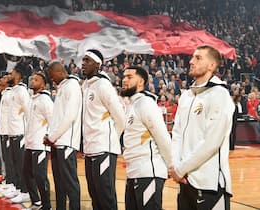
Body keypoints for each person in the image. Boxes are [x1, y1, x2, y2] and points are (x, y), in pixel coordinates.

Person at [169, 45, 235, 210]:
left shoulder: (220, 94)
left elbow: (211, 141)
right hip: (185, 181)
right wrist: (176, 165)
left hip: (209, 184)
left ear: (211, 66)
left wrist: (181, 168)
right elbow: (176, 134)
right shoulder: (186, 96)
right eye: (192, 57)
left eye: (198, 58)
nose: (191, 61)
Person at [121, 66, 172, 210]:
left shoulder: (146, 103)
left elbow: (163, 137)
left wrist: (172, 166)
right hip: (134, 172)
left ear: (141, 82)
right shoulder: (132, 105)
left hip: (148, 172)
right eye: (124, 76)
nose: (124, 80)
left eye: (129, 77)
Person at [81, 49, 125, 210]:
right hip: (90, 148)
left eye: (87, 60)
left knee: (105, 195)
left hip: (104, 148)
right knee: (94, 194)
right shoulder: (86, 86)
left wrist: (111, 137)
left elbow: (120, 116)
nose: (83, 64)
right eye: (83, 60)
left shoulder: (103, 85)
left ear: (98, 64)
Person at [44, 61, 81, 210]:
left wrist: (53, 137)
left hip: (66, 142)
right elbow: (57, 116)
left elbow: (69, 116)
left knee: (70, 183)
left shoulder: (72, 86)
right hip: (57, 142)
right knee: (59, 182)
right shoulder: (63, 87)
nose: (52, 79)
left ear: (60, 72)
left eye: (53, 76)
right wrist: (50, 134)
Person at [24, 73, 53, 210]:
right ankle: (36, 201)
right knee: (26, 173)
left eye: (36, 79)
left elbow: (53, 120)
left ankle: (47, 206)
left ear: (43, 84)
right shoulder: (32, 99)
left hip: (40, 144)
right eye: (31, 78)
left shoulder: (45, 100)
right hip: (29, 143)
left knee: (40, 176)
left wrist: (48, 136)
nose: (32, 81)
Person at [4, 63, 31, 203]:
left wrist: (27, 134)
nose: (10, 74)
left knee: (21, 164)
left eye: (13, 72)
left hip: (20, 133)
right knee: (15, 163)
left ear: (19, 75)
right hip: (12, 132)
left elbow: (28, 113)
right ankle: (17, 188)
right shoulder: (14, 90)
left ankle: (26, 191)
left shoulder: (22, 91)